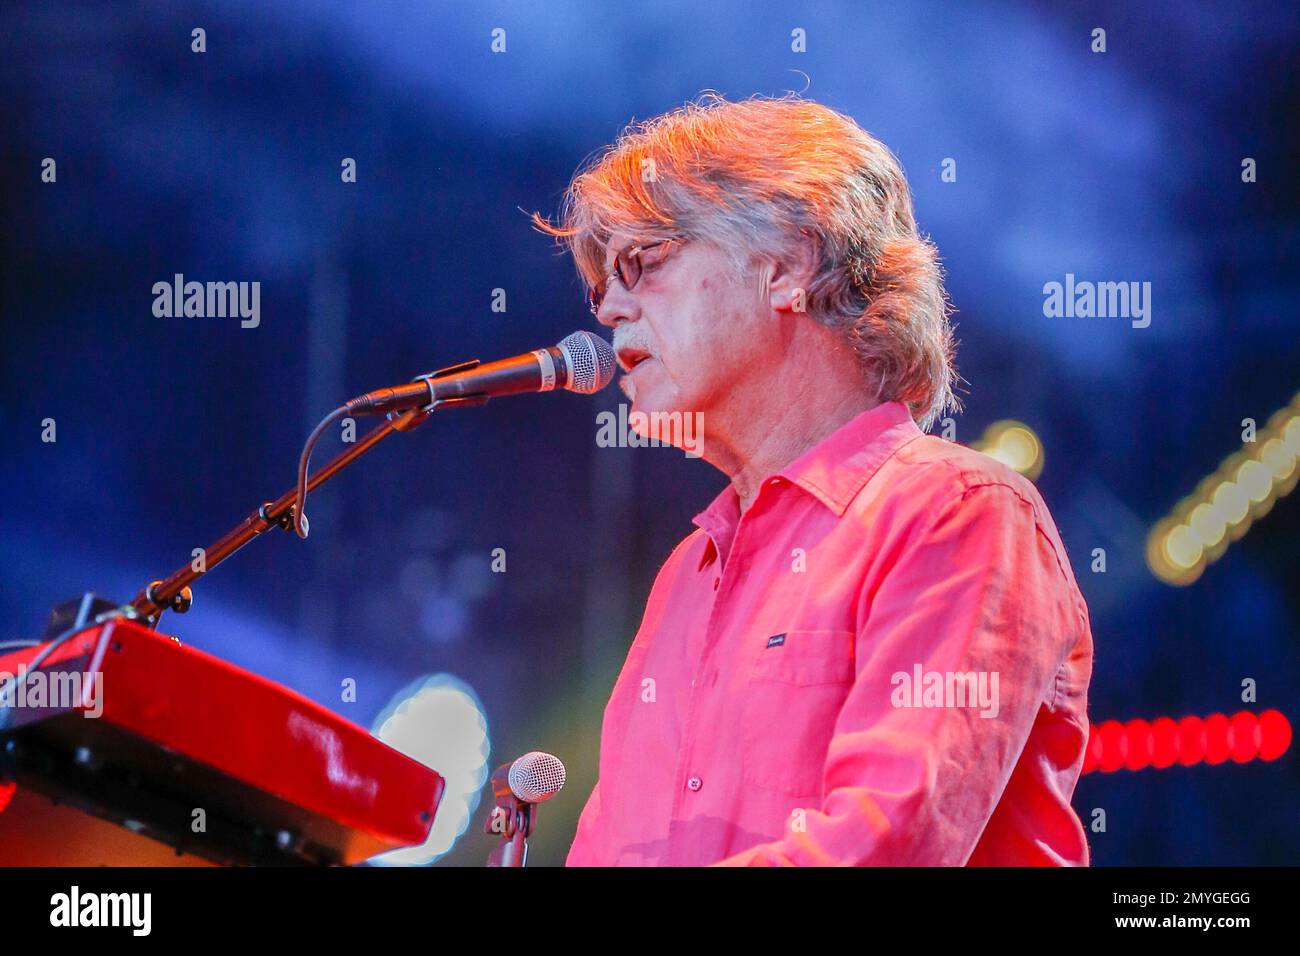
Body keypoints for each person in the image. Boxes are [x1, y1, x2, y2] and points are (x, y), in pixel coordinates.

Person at [533, 93, 1093, 866]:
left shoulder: (958, 514)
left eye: (645, 262)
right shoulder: (685, 575)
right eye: (602, 285)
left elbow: (883, 845)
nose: (612, 307)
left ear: (789, 264)